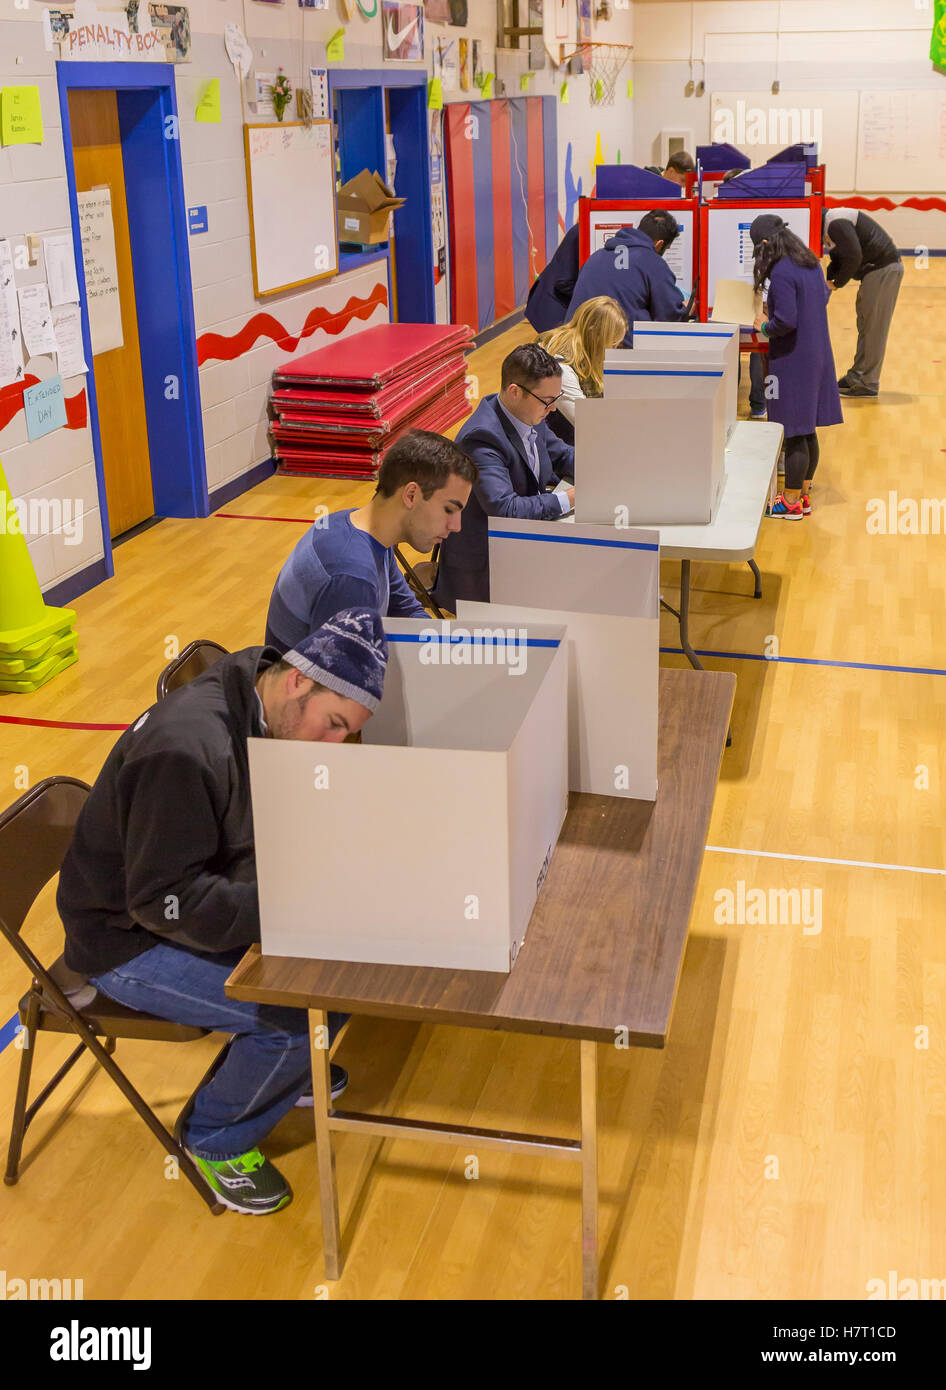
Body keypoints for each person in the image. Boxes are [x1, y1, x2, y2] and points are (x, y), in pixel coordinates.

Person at [56, 610, 390, 1215]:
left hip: (199, 887)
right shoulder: (187, 749)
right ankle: (213, 1137)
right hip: (125, 939)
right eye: (334, 725)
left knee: (336, 974)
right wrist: (291, 907)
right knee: (297, 1016)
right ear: (298, 683)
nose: (335, 745)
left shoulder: (257, 686)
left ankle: (276, 1077)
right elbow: (162, 900)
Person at [265, 430, 476, 653]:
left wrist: (447, 652)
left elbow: (405, 609)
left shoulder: (363, 528)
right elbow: (335, 681)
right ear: (411, 495)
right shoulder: (352, 576)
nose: (456, 526)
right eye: (449, 509)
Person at [431, 344, 575, 609]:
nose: (553, 408)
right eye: (548, 401)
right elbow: (505, 508)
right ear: (515, 391)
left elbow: (563, 455)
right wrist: (569, 498)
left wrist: (604, 468)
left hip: (520, 546)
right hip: (486, 569)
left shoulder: (529, 414)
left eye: (557, 398)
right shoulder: (482, 437)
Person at [749, 214, 842, 519]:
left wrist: (765, 326)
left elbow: (786, 321)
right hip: (815, 354)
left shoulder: (784, 271)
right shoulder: (808, 262)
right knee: (807, 428)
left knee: (793, 432)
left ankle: (788, 503)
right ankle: (802, 494)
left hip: (794, 358)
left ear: (766, 243)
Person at [565, 209, 687, 347]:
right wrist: (685, 309)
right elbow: (669, 317)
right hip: (619, 350)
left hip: (577, 344)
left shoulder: (596, 256)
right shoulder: (653, 262)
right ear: (659, 244)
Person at [822, 206, 903, 398]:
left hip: (882, 269)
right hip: (875, 271)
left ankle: (868, 383)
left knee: (874, 328)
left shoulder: (835, 224)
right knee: (866, 325)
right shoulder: (832, 225)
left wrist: (836, 284)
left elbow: (853, 256)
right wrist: (826, 282)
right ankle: (856, 376)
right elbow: (838, 260)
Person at [537, 295, 629, 446]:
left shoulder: (581, 350)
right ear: (595, 336)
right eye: (612, 344)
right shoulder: (561, 368)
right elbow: (587, 423)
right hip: (560, 452)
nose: (614, 350)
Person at [524, 222, 581, 334]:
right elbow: (563, 283)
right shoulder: (584, 230)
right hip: (552, 305)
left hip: (554, 302)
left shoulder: (584, 227)